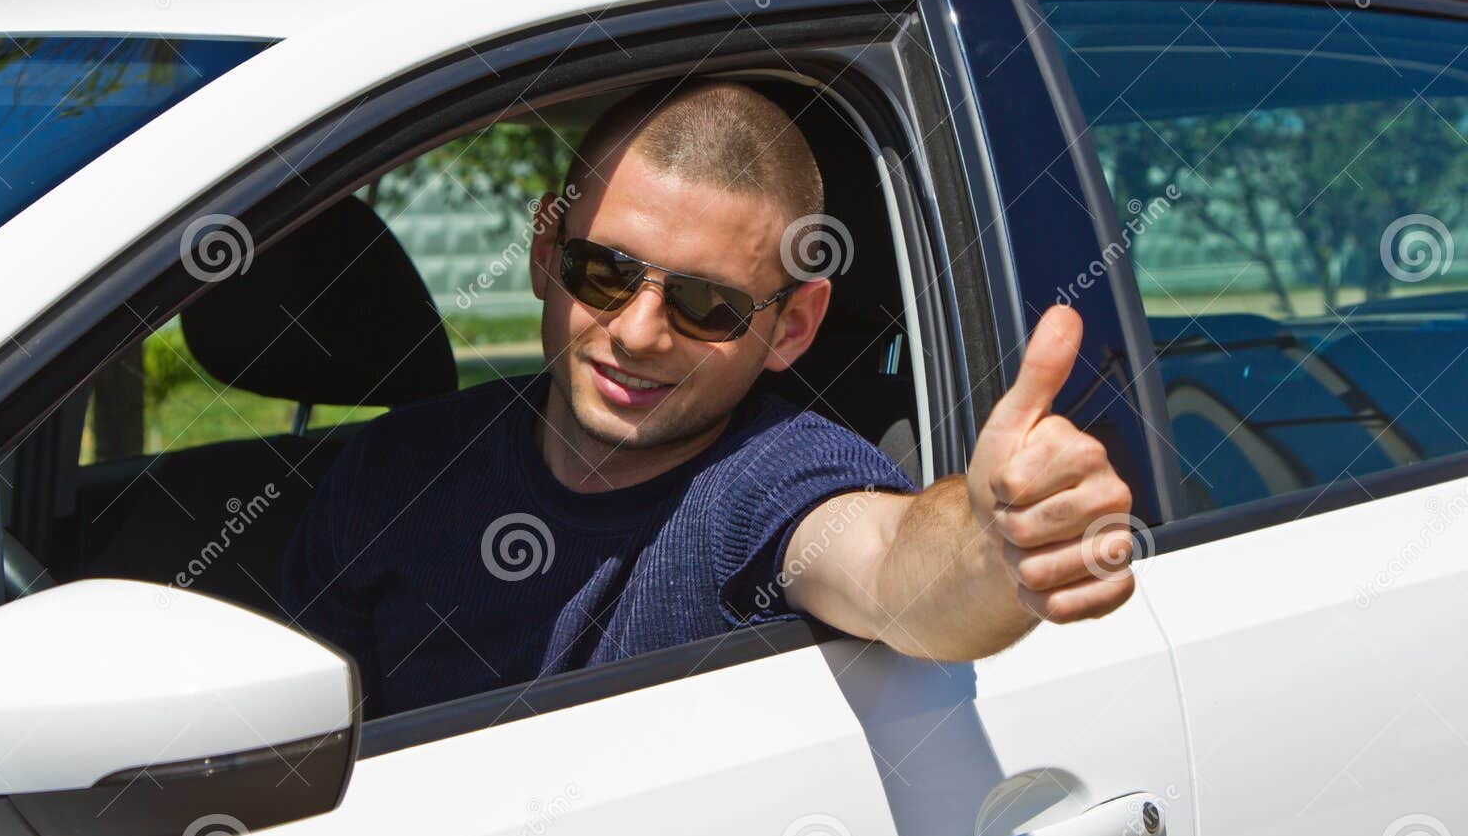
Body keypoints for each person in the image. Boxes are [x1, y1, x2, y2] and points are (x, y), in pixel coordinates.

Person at [282, 78, 1136, 717]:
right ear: (547, 253)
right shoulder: (396, 467)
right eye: (604, 273)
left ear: (794, 327)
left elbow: (886, 564)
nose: (640, 331)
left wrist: (995, 544)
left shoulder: (772, 480)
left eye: (707, 306)